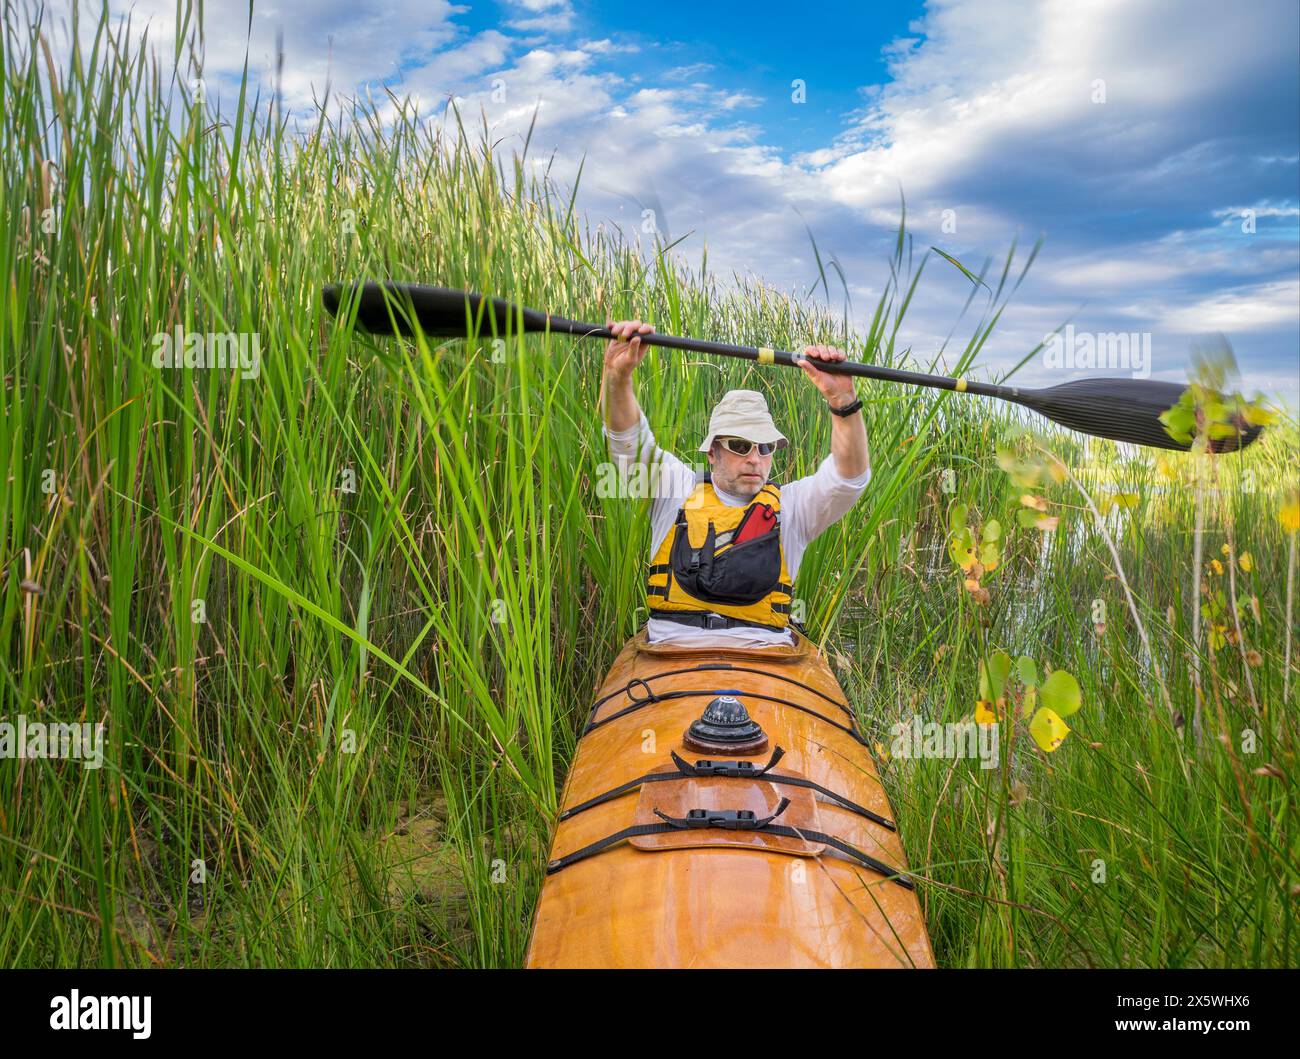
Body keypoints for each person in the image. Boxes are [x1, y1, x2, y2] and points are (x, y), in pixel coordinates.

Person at [601, 317, 871, 647]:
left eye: (765, 447)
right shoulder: (673, 488)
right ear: (712, 452)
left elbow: (849, 477)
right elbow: (626, 441)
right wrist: (618, 376)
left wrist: (843, 401)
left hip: (765, 662)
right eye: (741, 446)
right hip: (671, 658)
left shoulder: (793, 507)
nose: (755, 459)